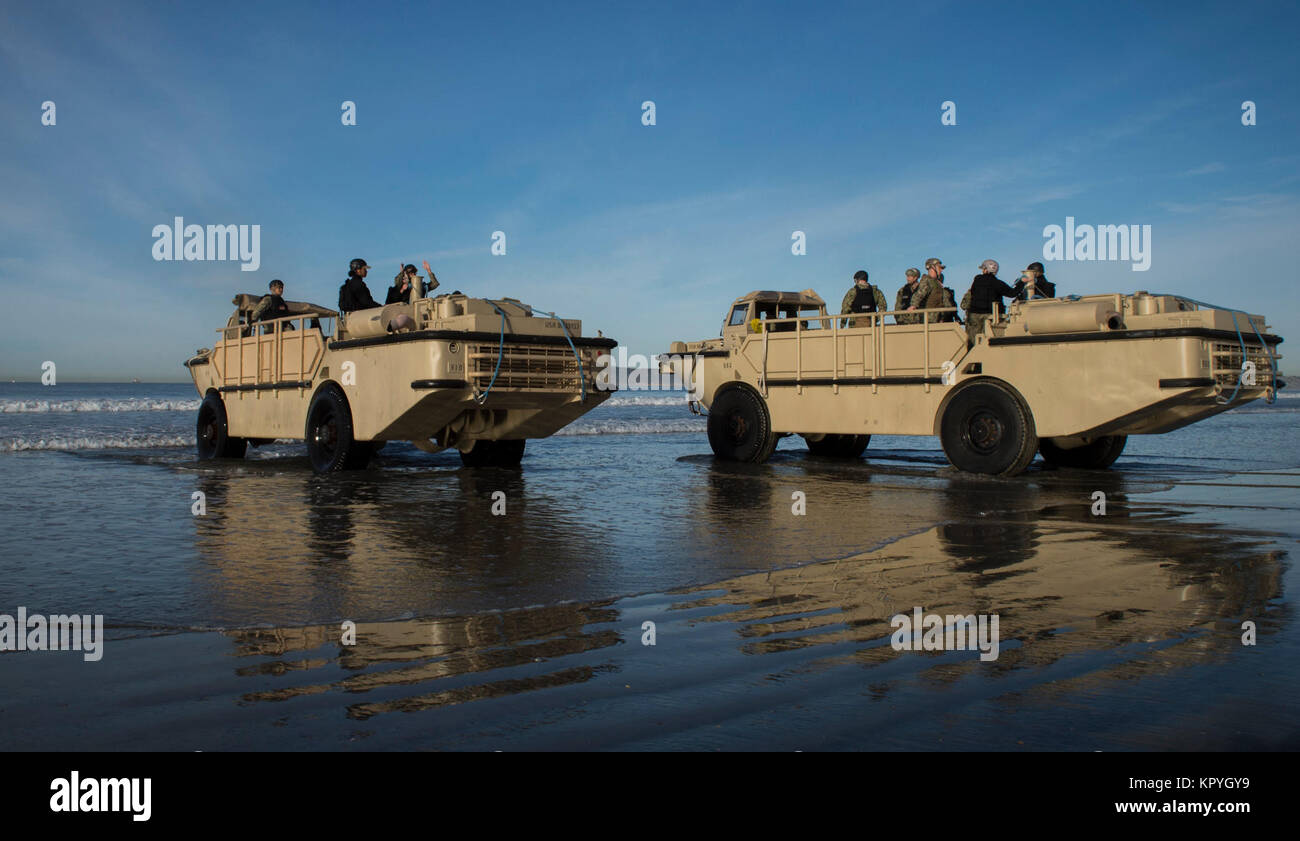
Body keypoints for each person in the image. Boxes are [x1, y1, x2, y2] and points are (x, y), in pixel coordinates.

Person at [961, 259, 1017, 344]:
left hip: (974, 316)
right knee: (986, 341)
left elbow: (972, 292)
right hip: (990, 316)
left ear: (986, 269)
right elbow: (1012, 293)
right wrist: (1021, 283)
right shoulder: (997, 283)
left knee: (973, 341)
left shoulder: (977, 280)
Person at [909, 258, 960, 323]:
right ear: (932, 267)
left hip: (937, 319)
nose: (941, 270)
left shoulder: (937, 283)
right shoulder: (927, 281)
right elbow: (919, 294)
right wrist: (913, 306)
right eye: (939, 267)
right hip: (929, 320)